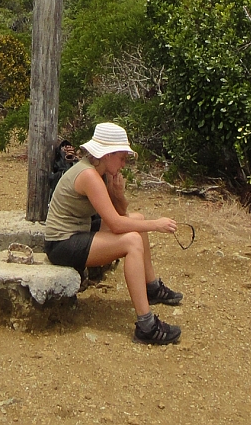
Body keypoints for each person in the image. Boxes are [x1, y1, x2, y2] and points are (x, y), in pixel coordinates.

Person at [44, 122, 183, 345]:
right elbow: (117, 226)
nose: (124, 163)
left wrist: (118, 194)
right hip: (62, 243)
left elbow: (121, 215)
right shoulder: (89, 175)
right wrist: (156, 225)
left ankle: (151, 287)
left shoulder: (102, 173)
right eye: (122, 157)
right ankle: (146, 325)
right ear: (107, 154)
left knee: (136, 221)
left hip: (80, 232)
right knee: (132, 241)